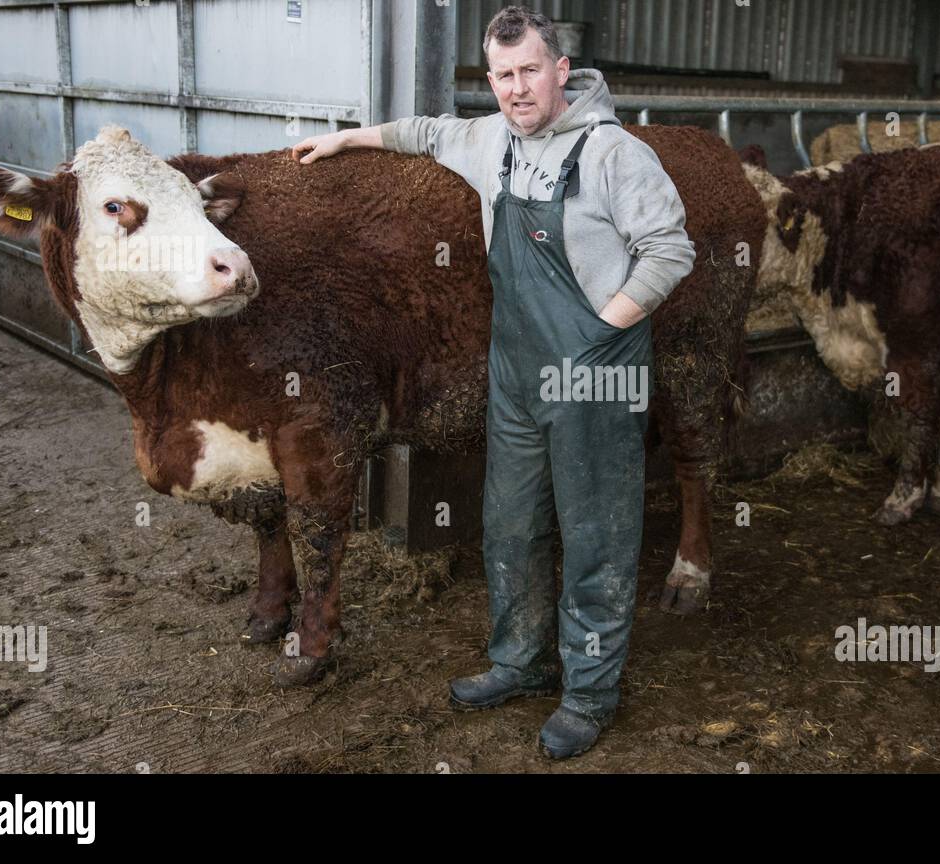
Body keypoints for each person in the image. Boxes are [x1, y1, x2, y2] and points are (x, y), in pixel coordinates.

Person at [291, 4, 694, 759]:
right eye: (502, 76)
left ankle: (590, 691)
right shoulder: (490, 140)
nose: (516, 89)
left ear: (561, 70)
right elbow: (422, 132)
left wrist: (602, 331)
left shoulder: (614, 155)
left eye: (530, 71)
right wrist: (344, 138)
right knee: (511, 521)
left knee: (596, 534)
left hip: (595, 374)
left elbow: (670, 251)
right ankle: (521, 660)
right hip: (515, 372)